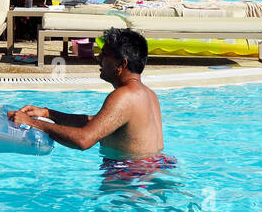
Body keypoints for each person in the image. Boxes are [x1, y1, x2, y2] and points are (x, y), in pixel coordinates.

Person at [10, 28, 173, 180]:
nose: (98, 59)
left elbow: (84, 140)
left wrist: (32, 123)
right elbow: (97, 123)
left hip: (130, 176)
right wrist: (47, 113)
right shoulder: (149, 94)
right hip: (156, 167)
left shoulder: (123, 96)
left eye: (104, 55)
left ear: (121, 64)